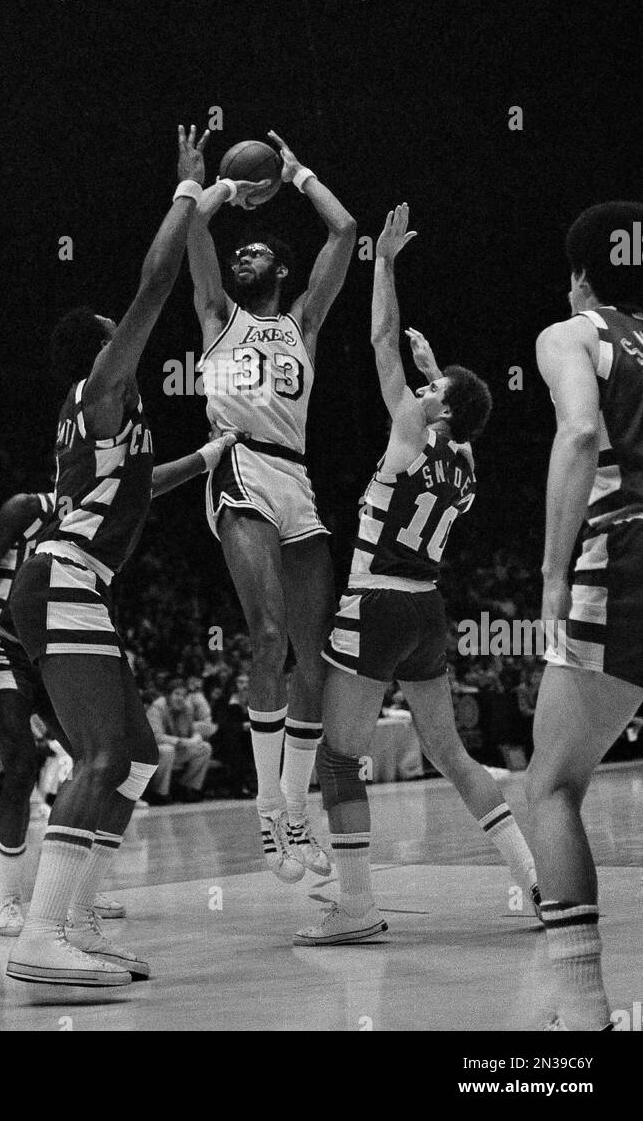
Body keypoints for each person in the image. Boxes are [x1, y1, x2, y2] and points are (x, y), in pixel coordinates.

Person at [5, 125, 267, 987]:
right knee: (103, 759)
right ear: (100, 348)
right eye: (119, 333)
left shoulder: (105, 429)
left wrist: (206, 457)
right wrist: (199, 193)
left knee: (142, 755)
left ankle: (73, 921)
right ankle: (39, 935)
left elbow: (136, 489)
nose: (133, 335)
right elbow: (156, 281)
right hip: (64, 578)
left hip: (73, 578)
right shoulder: (101, 388)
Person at [295, 205, 539, 946]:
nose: (421, 388)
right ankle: (533, 880)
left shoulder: (408, 426)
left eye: (432, 391)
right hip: (427, 612)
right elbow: (461, 416)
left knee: (339, 761)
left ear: (437, 410)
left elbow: (377, 339)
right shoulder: (466, 463)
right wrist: (442, 377)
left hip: (373, 607)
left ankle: (358, 906)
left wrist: (386, 266)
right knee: (452, 753)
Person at [0, 442, 234, 933]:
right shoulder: (26, 508)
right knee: (20, 763)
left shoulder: (99, 511)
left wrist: (210, 455)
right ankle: (9, 898)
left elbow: (146, 484)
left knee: (105, 760)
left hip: (50, 641)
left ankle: (75, 887)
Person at [187, 130, 356, 881]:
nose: (244, 252)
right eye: (241, 248)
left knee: (315, 655)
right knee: (266, 636)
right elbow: (192, 228)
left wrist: (296, 172)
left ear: (282, 270)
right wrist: (220, 187)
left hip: (299, 481)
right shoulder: (217, 312)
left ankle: (296, 806)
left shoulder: (303, 326)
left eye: (259, 250)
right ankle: (264, 811)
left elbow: (346, 230)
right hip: (240, 468)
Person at [526, 200, 643, 1031]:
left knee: (553, 787)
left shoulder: (573, 334)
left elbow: (576, 435)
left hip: (627, 552)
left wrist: (552, 573)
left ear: (578, 277)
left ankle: (583, 1015)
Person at [147, 682, 213, 803]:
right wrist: (182, 742)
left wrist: (196, 737)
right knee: (168, 750)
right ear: (168, 695)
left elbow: (192, 731)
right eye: (177, 694)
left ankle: (187, 788)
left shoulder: (186, 708)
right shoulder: (156, 708)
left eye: (184, 695)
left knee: (205, 748)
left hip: (177, 749)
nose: (181, 698)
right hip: (153, 751)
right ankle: (159, 794)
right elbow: (156, 737)